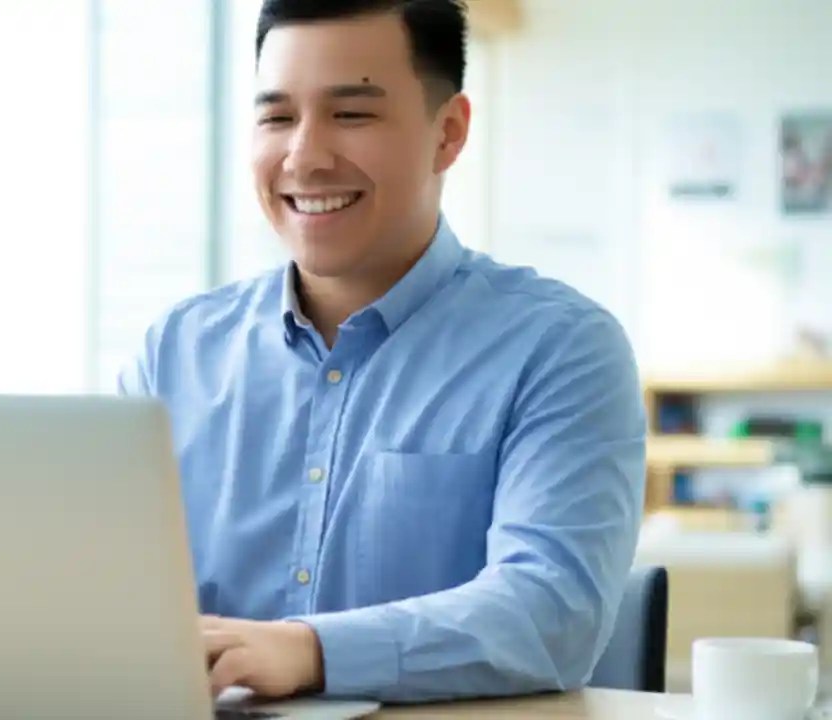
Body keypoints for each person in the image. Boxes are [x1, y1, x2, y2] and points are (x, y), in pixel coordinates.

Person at [118, 0, 646, 705]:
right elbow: (95, 591)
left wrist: (308, 651)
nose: (304, 156)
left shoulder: (560, 350)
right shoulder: (172, 355)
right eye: (277, 117)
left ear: (448, 134)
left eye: (352, 114)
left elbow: (551, 613)